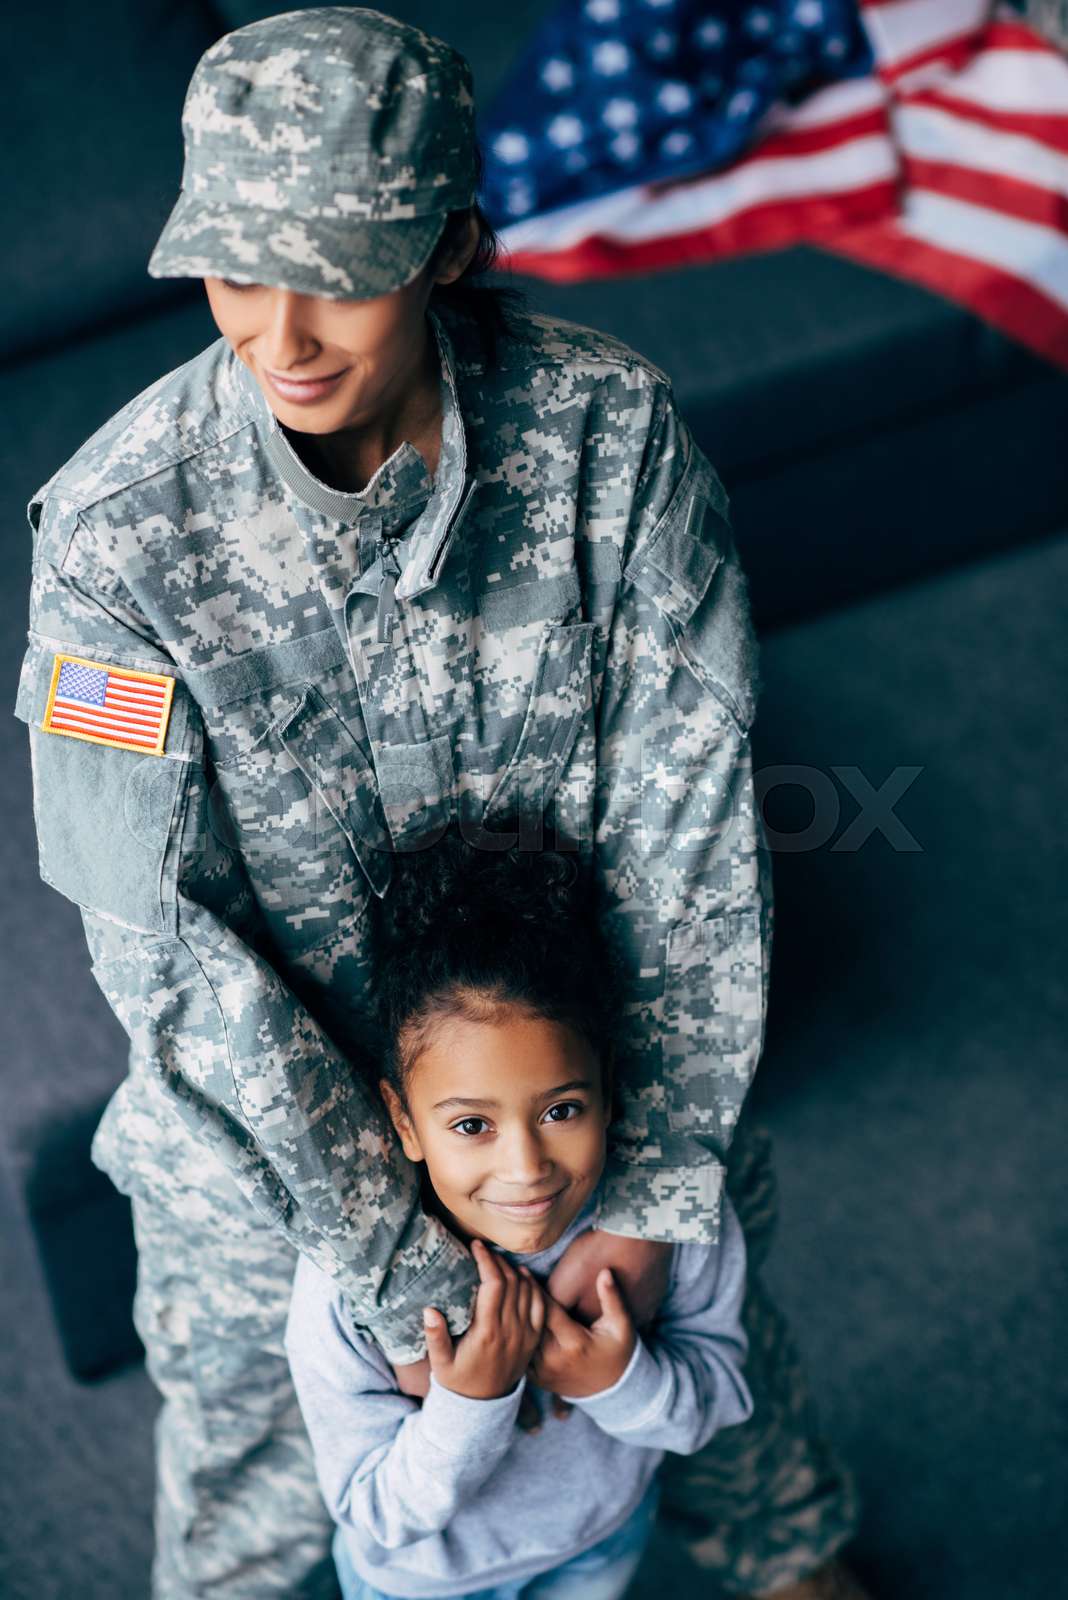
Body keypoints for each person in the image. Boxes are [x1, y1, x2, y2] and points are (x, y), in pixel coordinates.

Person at [14, 7, 869, 1599]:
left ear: (452, 248)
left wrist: (655, 1183)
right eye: (233, 273)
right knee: (250, 1485)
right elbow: (161, 947)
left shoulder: (612, 436)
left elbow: (689, 823)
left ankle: (793, 1558)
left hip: (584, 1089)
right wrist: (398, 1263)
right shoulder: (114, 541)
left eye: (336, 274)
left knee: (706, 1367)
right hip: (277, 1154)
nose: (279, 334)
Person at [285, 825, 755, 1600]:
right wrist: (471, 1405)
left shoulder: (671, 1225)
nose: (526, 1167)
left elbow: (717, 1399)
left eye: (561, 1110)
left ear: (607, 1087)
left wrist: (620, 1381)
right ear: (404, 1123)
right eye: (472, 1125)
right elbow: (371, 1510)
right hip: (426, 1587)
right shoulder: (347, 1291)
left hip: (602, 1541)